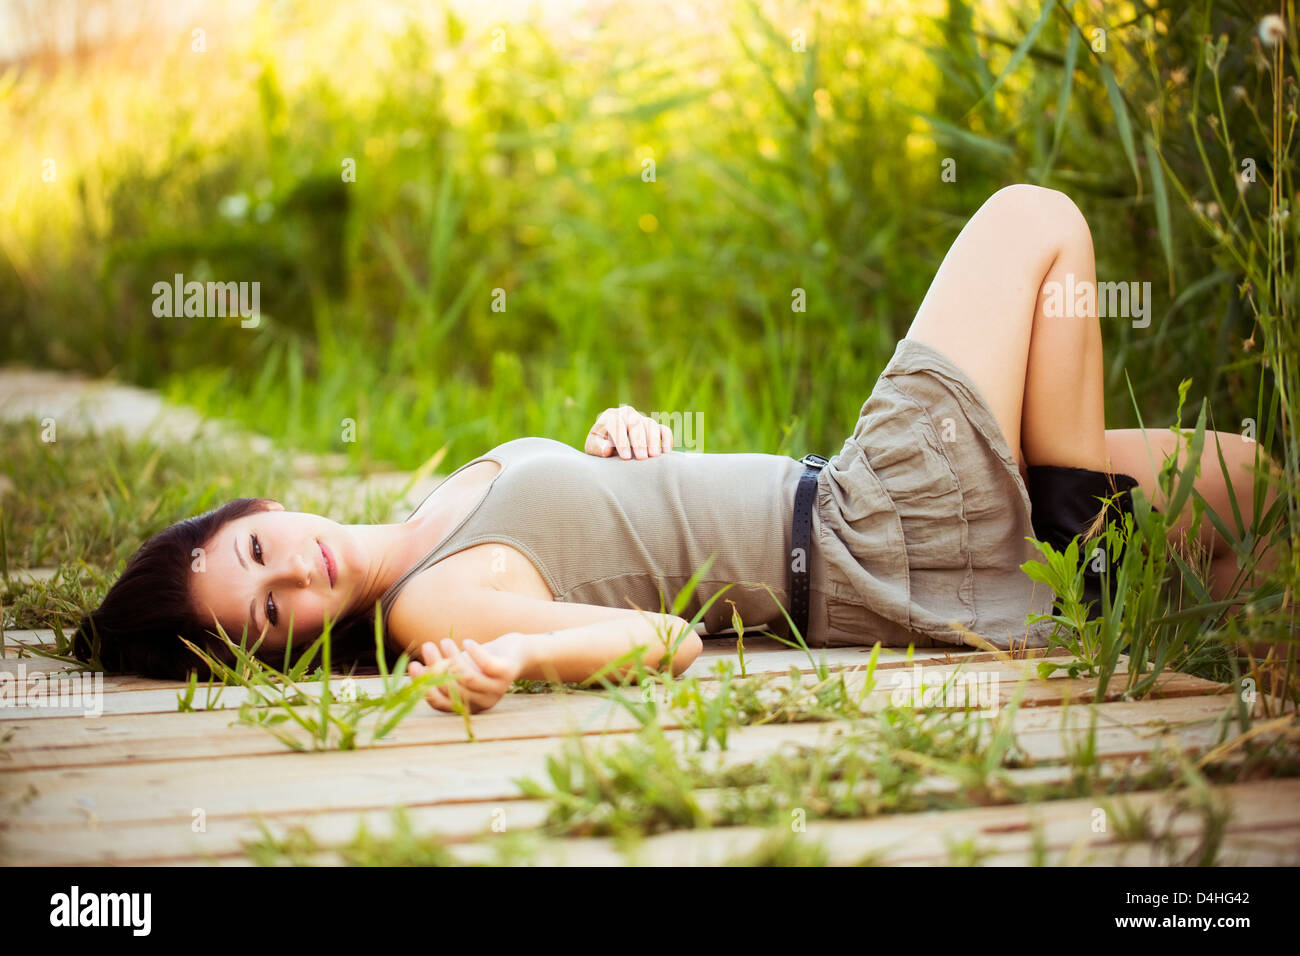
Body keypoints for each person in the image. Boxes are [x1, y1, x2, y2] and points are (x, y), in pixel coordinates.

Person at [72, 185, 1273, 714]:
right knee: (1032, 221)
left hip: (852, 511)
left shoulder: (435, 511)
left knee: (1252, 500)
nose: (300, 573)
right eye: (271, 611)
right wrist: (520, 667)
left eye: (261, 548)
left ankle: (1079, 534)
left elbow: (607, 531)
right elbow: (664, 635)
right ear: (286, 651)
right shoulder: (427, 610)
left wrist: (618, 443)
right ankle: (1073, 521)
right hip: (864, 530)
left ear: (255, 505)